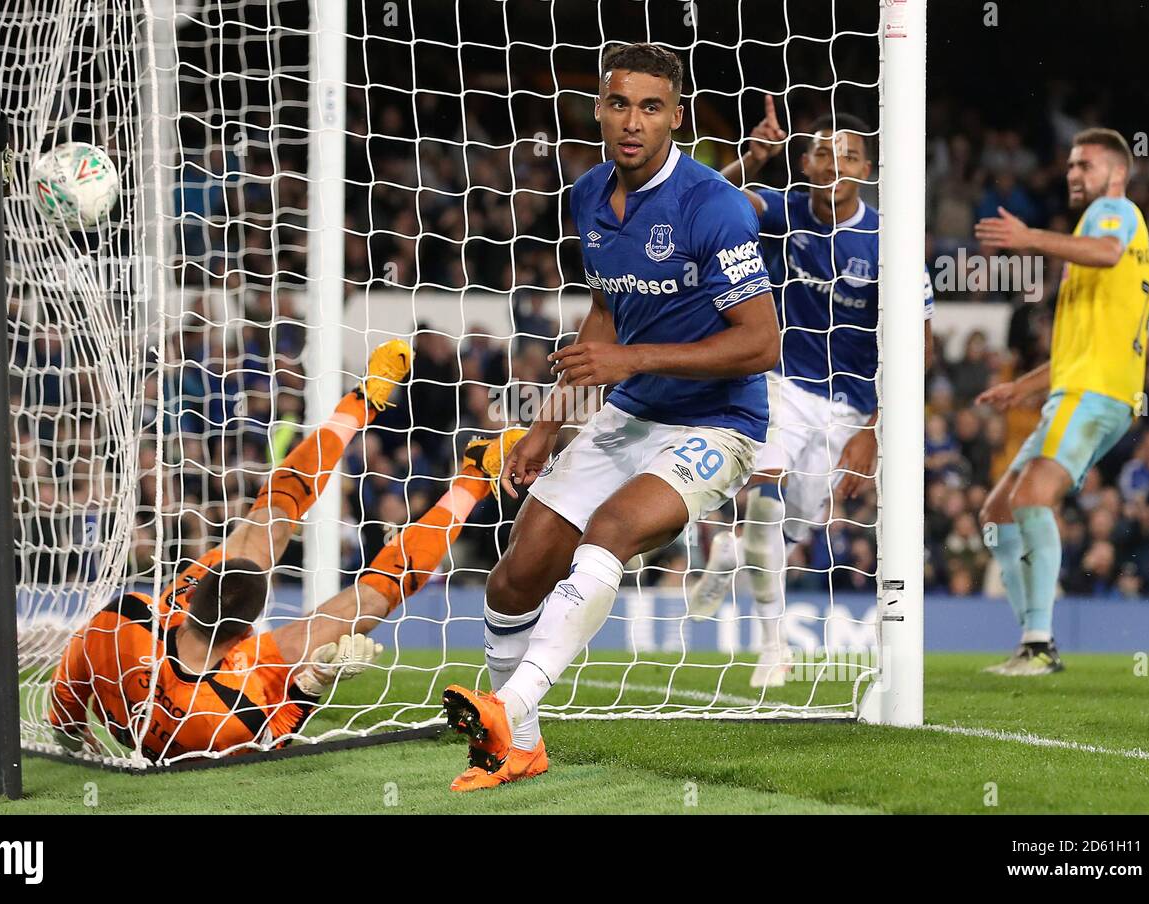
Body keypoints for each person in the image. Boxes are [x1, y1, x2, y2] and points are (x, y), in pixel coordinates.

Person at [441, 42, 779, 791]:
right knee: (512, 580)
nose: (633, 122)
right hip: (631, 412)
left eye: (651, 107)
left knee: (614, 529)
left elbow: (761, 343)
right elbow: (605, 310)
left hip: (718, 423)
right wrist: (545, 426)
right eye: (620, 103)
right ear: (598, 108)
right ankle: (518, 746)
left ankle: (508, 704)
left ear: (677, 117)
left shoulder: (713, 206)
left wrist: (636, 359)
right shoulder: (589, 193)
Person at [49, 339, 523, 760]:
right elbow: (273, 738)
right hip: (214, 692)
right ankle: (466, 470)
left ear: (192, 592)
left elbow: (68, 692)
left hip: (173, 661)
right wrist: (312, 683)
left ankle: (416, 436)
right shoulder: (240, 693)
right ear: (245, 637)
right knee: (362, 589)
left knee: (288, 535)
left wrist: (70, 736)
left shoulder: (123, 620)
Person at [689, 100, 934, 687]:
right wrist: (751, 158)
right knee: (764, 497)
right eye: (824, 152)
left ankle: (732, 555)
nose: (835, 163)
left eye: (848, 154)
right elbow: (705, 200)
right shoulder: (787, 210)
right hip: (780, 382)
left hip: (848, 404)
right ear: (805, 162)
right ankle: (773, 648)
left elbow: (920, 348)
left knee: (791, 525)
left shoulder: (889, 242)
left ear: (868, 170)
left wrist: (873, 431)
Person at [973, 128, 1149, 675]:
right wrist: (1021, 387)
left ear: (1116, 174)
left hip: (1094, 393)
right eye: (1071, 166)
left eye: (1086, 165)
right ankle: (1032, 637)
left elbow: (1106, 250)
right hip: (1082, 389)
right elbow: (1080, 349)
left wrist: (1030, 239)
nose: (1074, 174)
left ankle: (1040, 645)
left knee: (1030, 500)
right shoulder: (1092, 239)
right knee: (998, 513)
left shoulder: (1112, 212)